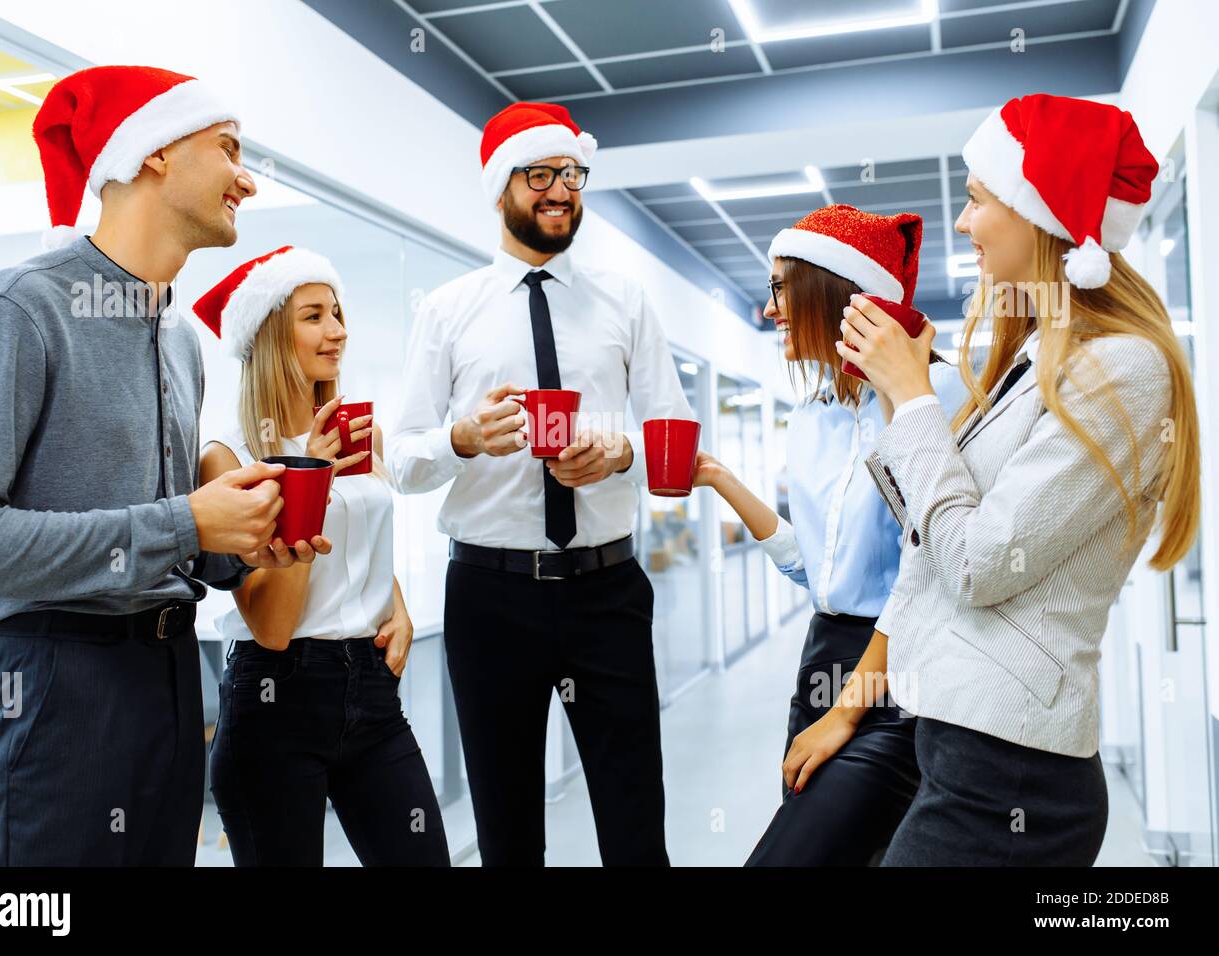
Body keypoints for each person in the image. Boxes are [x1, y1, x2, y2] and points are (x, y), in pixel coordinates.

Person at [0, 66, 329, 866]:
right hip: (53, 691)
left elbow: (169, 533)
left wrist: (243, 536)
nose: (247, 177)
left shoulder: (180, 340)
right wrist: (186, 520)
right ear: (153, 155)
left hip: (169, 682)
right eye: (228, 148)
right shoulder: (16, 309)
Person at [840, 93, 1201, 866]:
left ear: (1040, 213)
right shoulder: (1037, 358)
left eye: (976, 199)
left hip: (1015, 780)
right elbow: (931, 550)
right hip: (959, 744)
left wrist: (911, 401)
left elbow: (977, 564)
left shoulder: (1123, 370)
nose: (963, 224)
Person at [386, 101, 694, 866]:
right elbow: (401, 459)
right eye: (541, 174)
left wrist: (620, 455)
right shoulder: (449, 312)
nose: (561, 189)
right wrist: (459, 440)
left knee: (633, 814)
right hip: (492, 599)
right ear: (501, 189)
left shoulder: (625, 302)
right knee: (507, 821)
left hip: (607, 588)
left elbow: (677, 445)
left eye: (572, 174)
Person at [690, 205, 967, 865]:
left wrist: (846, 713)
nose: (768, 309)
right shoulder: (813, 416)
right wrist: (720, 478)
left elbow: (926, 577)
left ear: (834, 289)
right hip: (825, 658)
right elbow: (818, 573)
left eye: (781, 288)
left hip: (903, 673)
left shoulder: (936, 397)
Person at [193, 245, 450, 866]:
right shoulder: (228, 458)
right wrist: (312, 477)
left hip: (370, 694)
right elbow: (272, 626)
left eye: (337, 313)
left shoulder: (363, 436)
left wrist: (397, 603)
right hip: (276, 697)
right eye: (313, 316)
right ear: (270, 335)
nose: (337, 331)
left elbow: (362, 541)